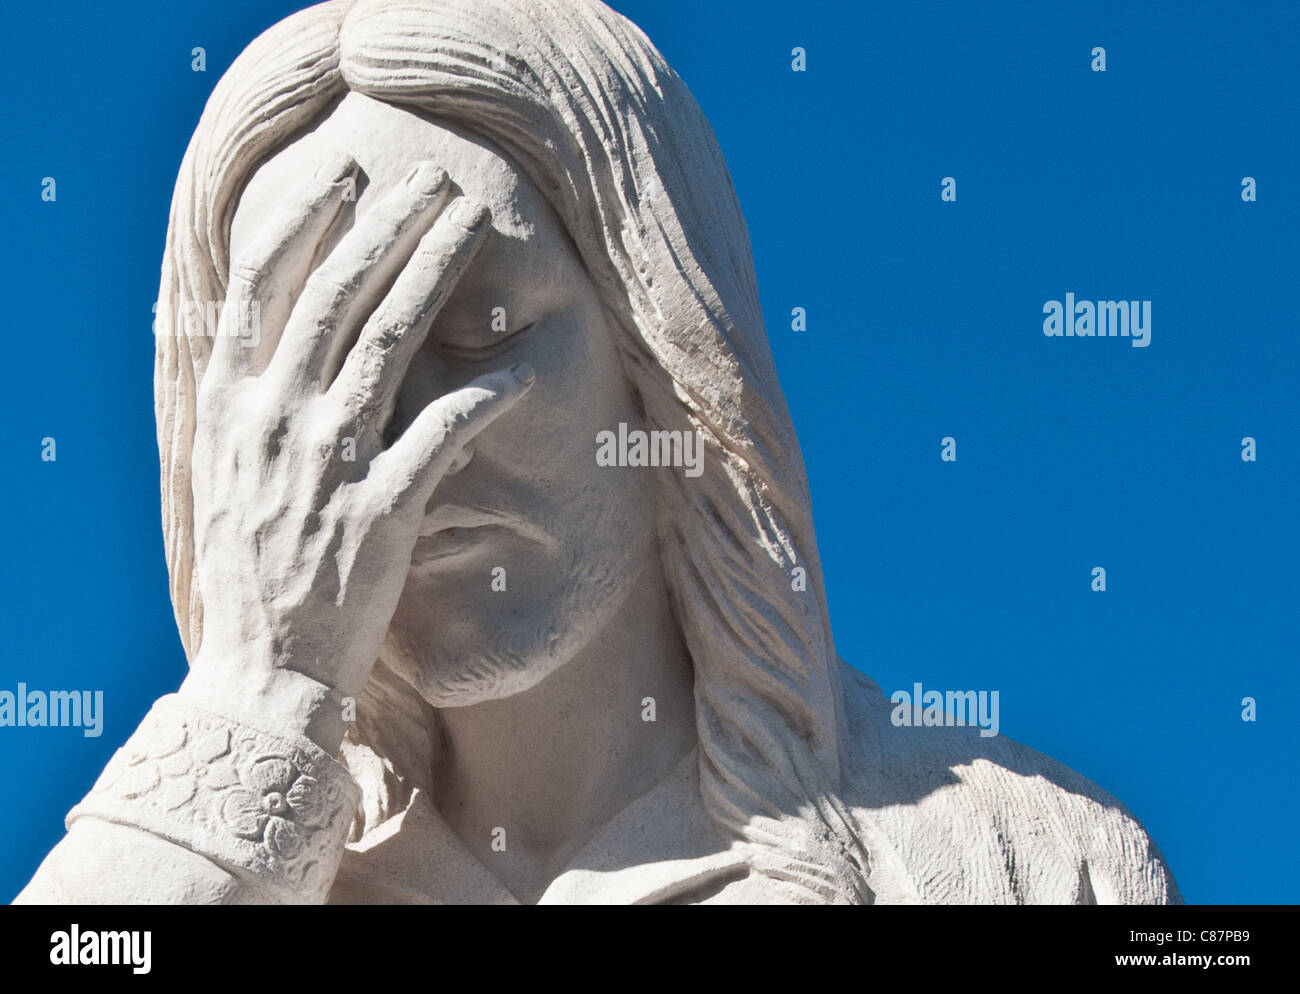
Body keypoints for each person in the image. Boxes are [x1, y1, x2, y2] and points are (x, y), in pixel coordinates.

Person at [16, 0, 1179, 904]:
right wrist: (252, 703)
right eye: (312, 373)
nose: (385, 440)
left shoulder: (1019, 864)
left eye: (477, 331)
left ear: (657, 347)